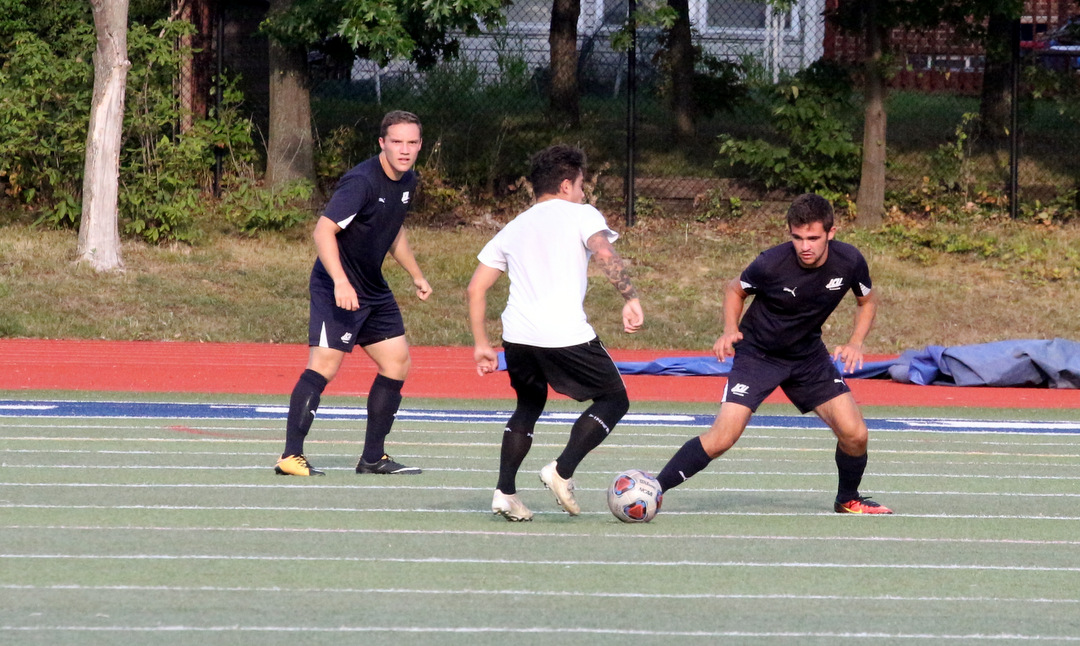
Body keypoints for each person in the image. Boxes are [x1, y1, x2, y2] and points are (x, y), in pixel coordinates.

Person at [654, 193, 892, 514]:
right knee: (723, 437)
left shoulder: (849, 261)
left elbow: (867, 301)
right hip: (758, 355)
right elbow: (734, 289)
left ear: (831, 234)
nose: (804, 246)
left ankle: (847, 498)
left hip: (808, 356)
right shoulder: (771, 263)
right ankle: (654, 488)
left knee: (855, 434)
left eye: (813, 237)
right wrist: (729, 329)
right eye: (797, 237)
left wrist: (856, 341)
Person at [467, 144, 644, 521]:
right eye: (581, 186)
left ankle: (505, 492)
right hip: (563, 335)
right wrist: (630, 297)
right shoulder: (581, 214)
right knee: (614, 400)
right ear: (566, 186)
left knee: (528, 407)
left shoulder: (514, 227)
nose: (583, 194)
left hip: (517, 337)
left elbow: (476, 288)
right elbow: (604, 252)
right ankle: (561, 470)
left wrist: (482, 343)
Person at [275, 110, 432, 477]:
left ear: (420, 145)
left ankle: (373, 457)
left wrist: (416, 274)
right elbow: (322, 231)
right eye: (396, 142)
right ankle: (290, 456)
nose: (404, 150)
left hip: (373, 287)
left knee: (397, 363)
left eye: (412, 142)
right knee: (325, 366)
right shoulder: (361, 181)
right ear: (382, 143)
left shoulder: (409, 180)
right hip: (336, 285)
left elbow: (393, 230)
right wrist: (342, 282)